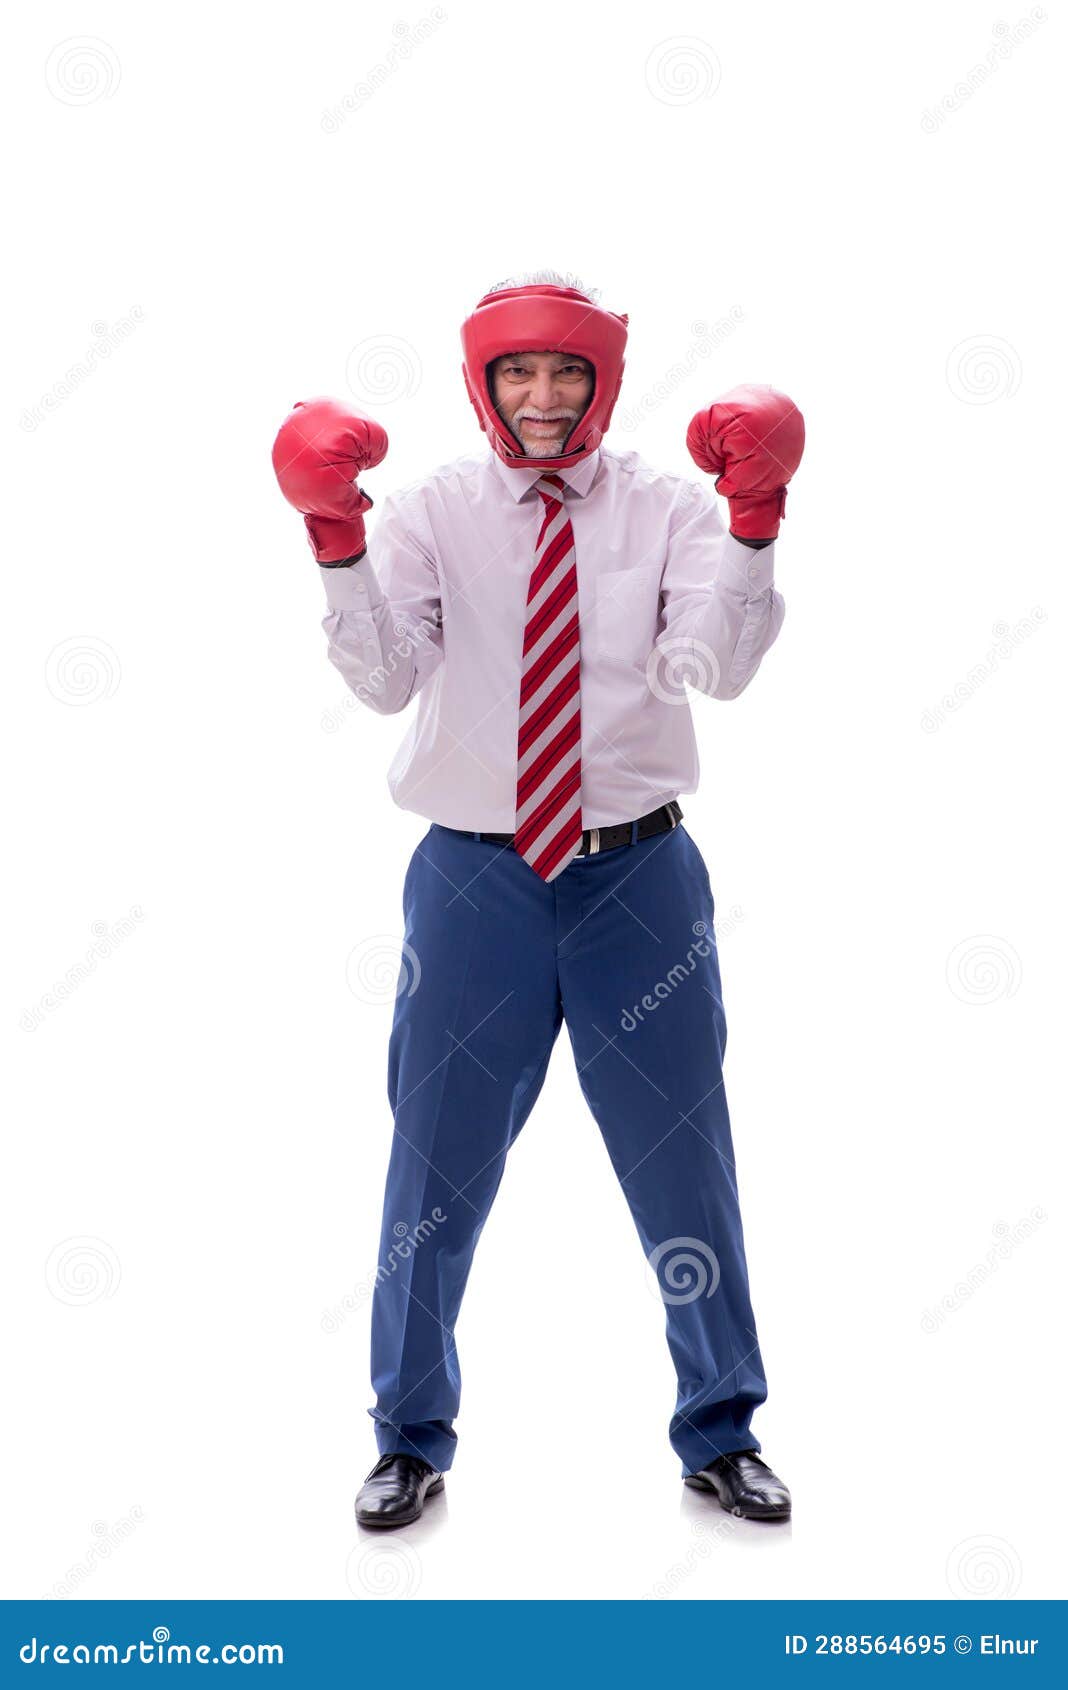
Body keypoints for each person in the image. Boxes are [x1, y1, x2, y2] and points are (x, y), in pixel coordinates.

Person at [272, 270, 805, 1530]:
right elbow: (383, 681)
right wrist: (335, 542)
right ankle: (407, 1436)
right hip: (476, 881)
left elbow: (718, 669)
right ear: (483, 382)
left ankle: (720, 1432)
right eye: (519, 372)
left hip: (640, 876)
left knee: (687, 1165)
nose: (546, 395)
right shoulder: (427, 512)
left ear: (604, 381)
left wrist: (756, 514)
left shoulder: (673, 508)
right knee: (432, 1165)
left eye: (569, 372)